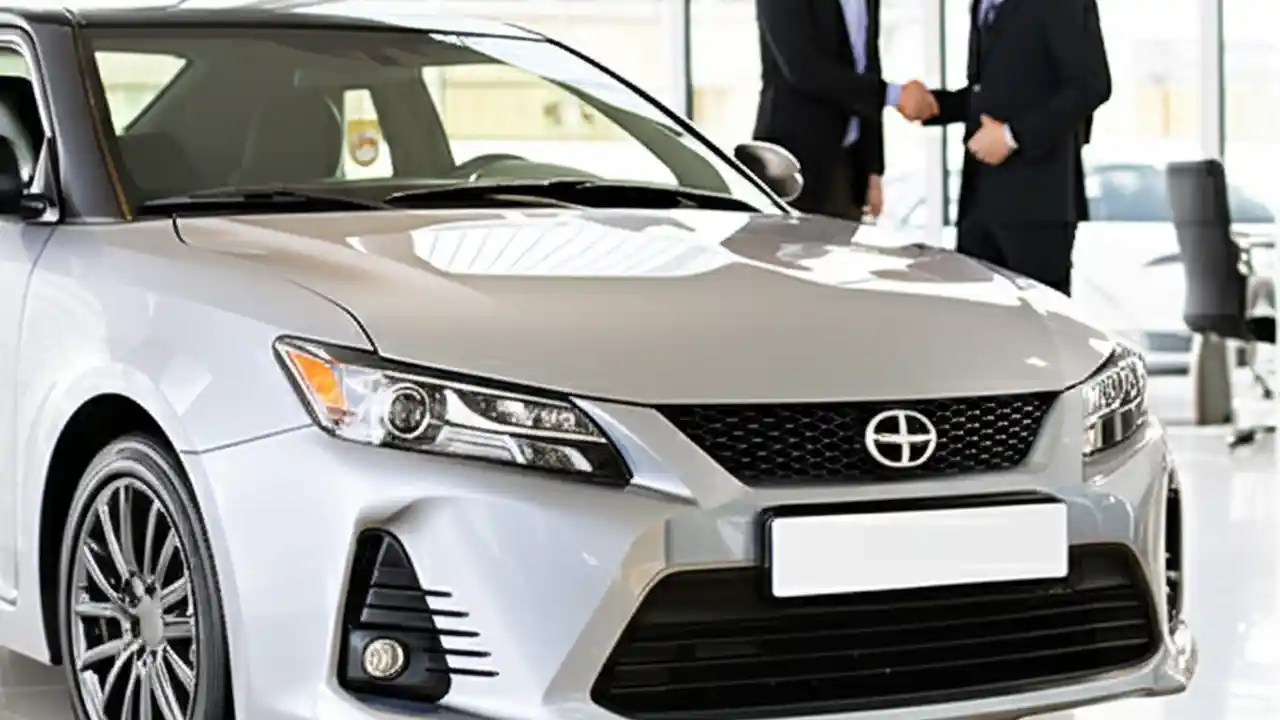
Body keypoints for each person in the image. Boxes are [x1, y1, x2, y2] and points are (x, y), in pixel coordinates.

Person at [908, 0, 1110, 296]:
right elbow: (995, 92)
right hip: (978, 203)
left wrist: (1013, 136)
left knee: (1038, 319)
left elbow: (1091, 85)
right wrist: (936, 106)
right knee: (977, 316)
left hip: (1037, 203)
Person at [754, 0, 937, 221]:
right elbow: (803, 68)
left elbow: (868, 65)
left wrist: (873, 168)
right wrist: (894, 95)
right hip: (792, 169)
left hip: (849, 167)